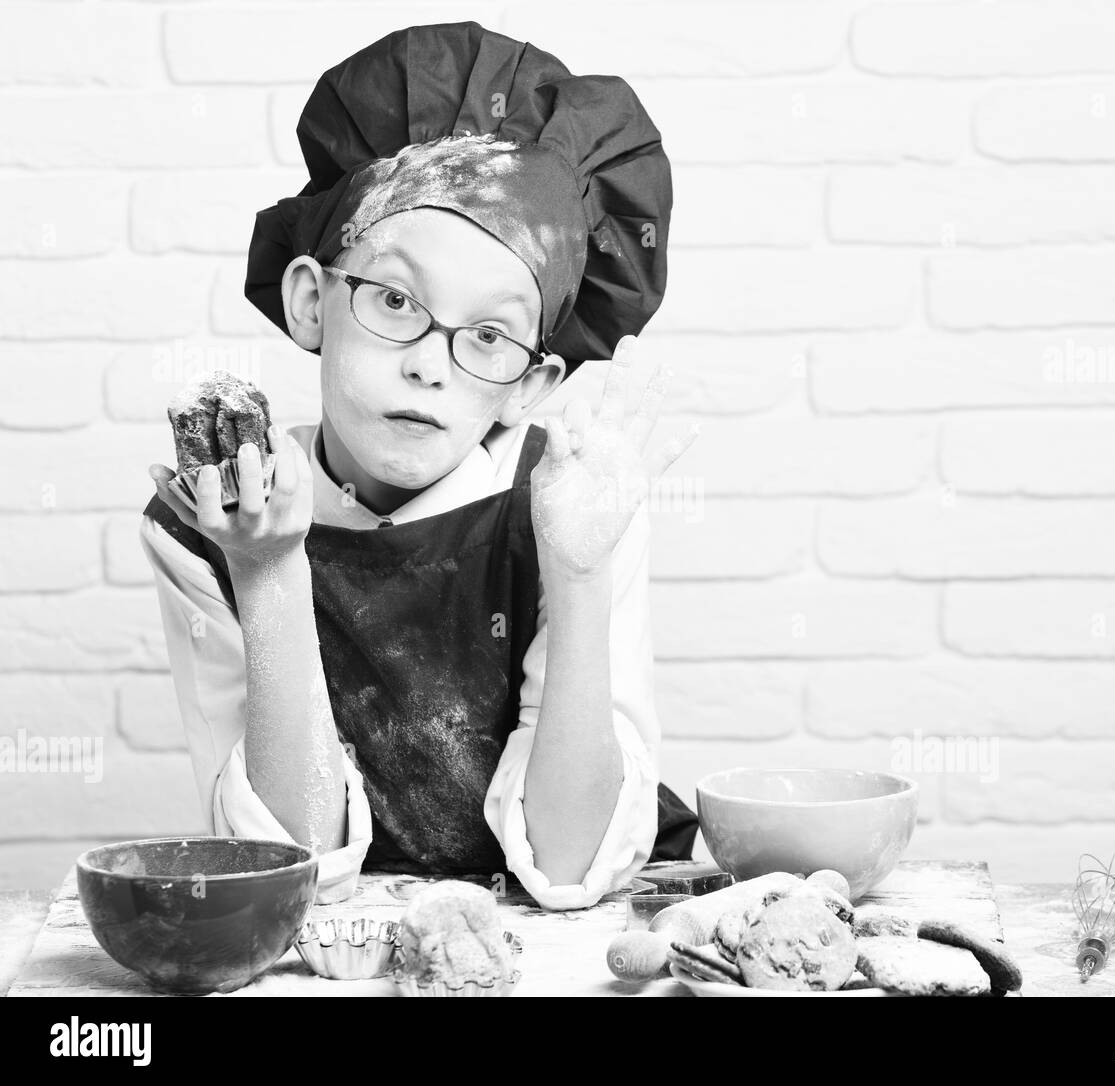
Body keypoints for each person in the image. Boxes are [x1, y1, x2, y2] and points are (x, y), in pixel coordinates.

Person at [139, 22, 700, 908]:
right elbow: (291, 870)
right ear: (311, 301)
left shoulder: (569, 498)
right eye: (396, 299)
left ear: (531, 383)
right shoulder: (210, 520)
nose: (430, 364)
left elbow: (568, 867)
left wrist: (581, 577)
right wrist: (269, 571)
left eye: (488, 334)